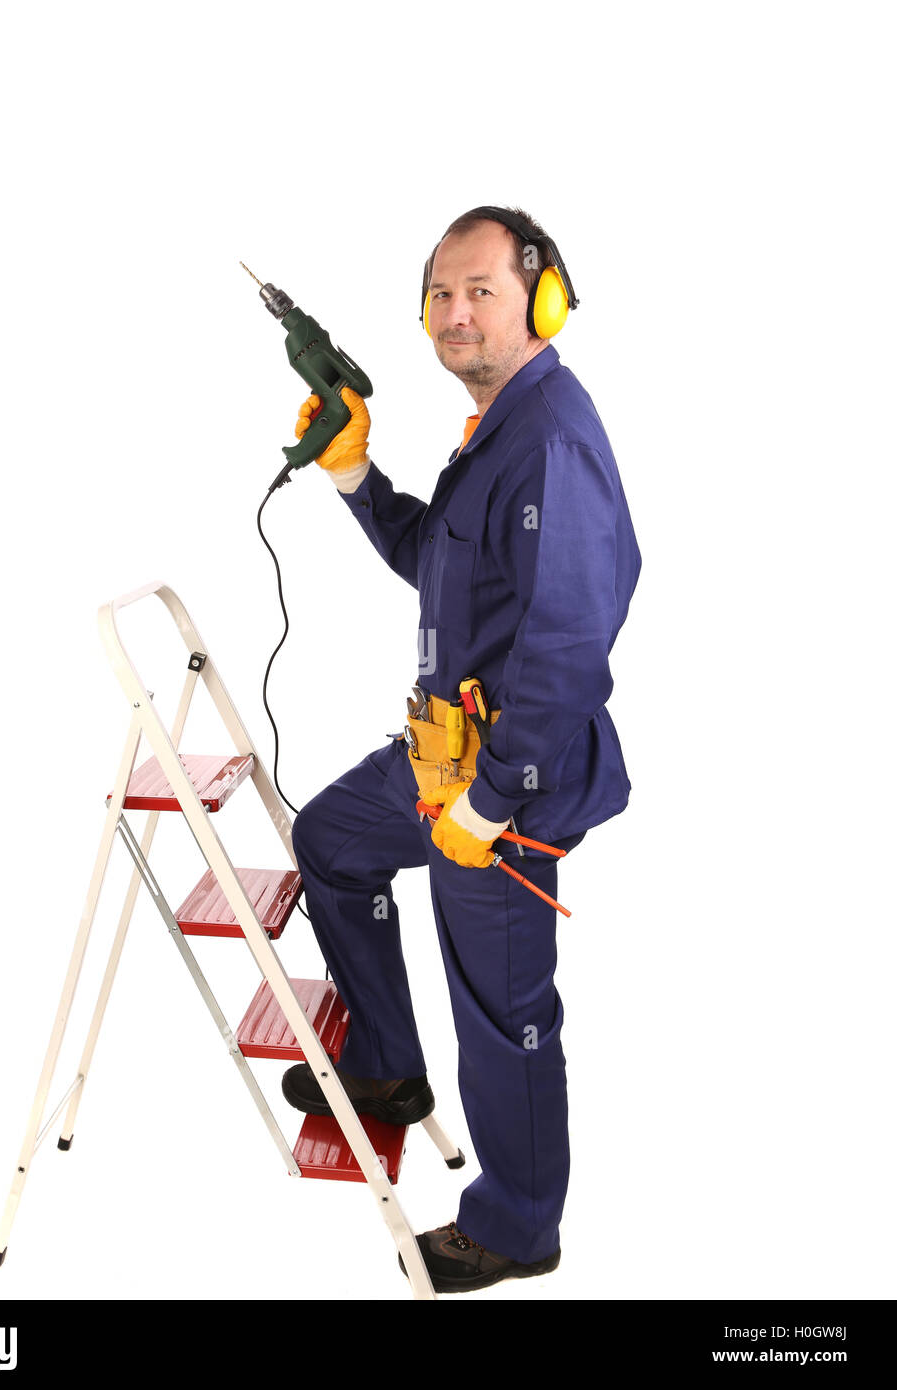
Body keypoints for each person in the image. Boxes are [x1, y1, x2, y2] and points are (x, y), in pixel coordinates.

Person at [282, 206, 641, 1294]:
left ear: (540, 300)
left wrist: (492, 802)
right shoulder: (490, 431)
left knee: (503, 1012)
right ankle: (385, 1062)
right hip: (444, 758)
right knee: (331, 839)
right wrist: (353, 478)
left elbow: (569, 644)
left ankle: (518, 1226)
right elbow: (439, 567)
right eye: (439, 294)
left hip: (504, 784)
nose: (453, 313)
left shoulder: (551, 437)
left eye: (479, 290)